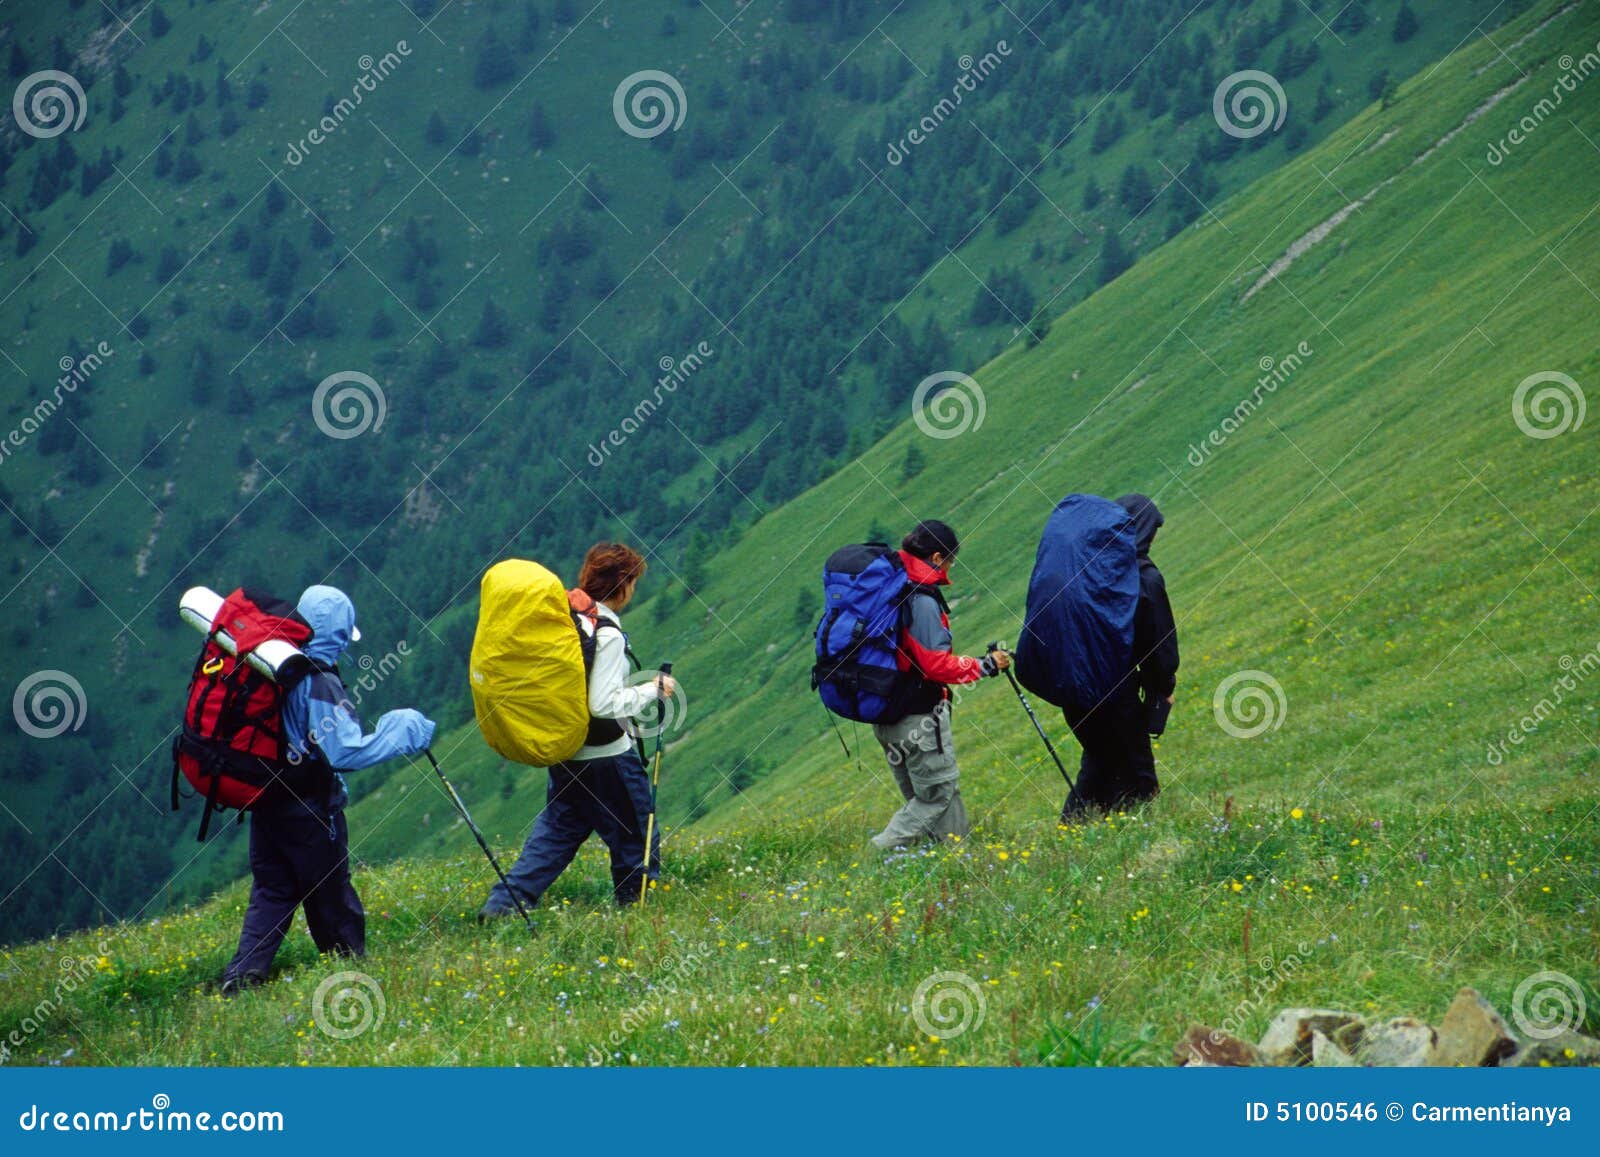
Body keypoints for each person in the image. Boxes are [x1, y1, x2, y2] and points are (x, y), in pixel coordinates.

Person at [221, 585, 436, 994]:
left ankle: (241, 977)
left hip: (267, 802)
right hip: (310, 813)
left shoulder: (275, 665)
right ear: (337, 634)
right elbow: (343, 752)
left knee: (271, 892)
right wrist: (401, 732)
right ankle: (353, 973)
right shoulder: (319, 682)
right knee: (331, 895)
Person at [480, 543, 675, 917]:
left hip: (566, 753)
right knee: (636, 835)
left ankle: (503, 906)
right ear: (624, 586)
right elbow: (602, 704)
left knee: (557, 833)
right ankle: (637, 913)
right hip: (608, 759)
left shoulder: (567, 621)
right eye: (633, 582)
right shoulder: (607, 633)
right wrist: (652, 690)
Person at [871, 520, 1010, 850]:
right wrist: (986, 665)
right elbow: (935, 665)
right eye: (950, 561)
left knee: (936, 795)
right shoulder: (921, 598)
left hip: (886, 714)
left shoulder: (890, 583)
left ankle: (957, 863)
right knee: (936, 797)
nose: (950, 568)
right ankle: (879, 850)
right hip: (918, 720)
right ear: (936, 557)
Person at [1060, 493, 1179, 820]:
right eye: (1153, 530)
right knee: (1137, 776)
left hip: (1074, 690)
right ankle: (1133, 845)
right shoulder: (1143, 579)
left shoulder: (1087, 568)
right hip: (1115, 693)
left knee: (1099, 760)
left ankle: (1070, 833)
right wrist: (1163, 687)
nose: (1154, 538)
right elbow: (1158, 646)